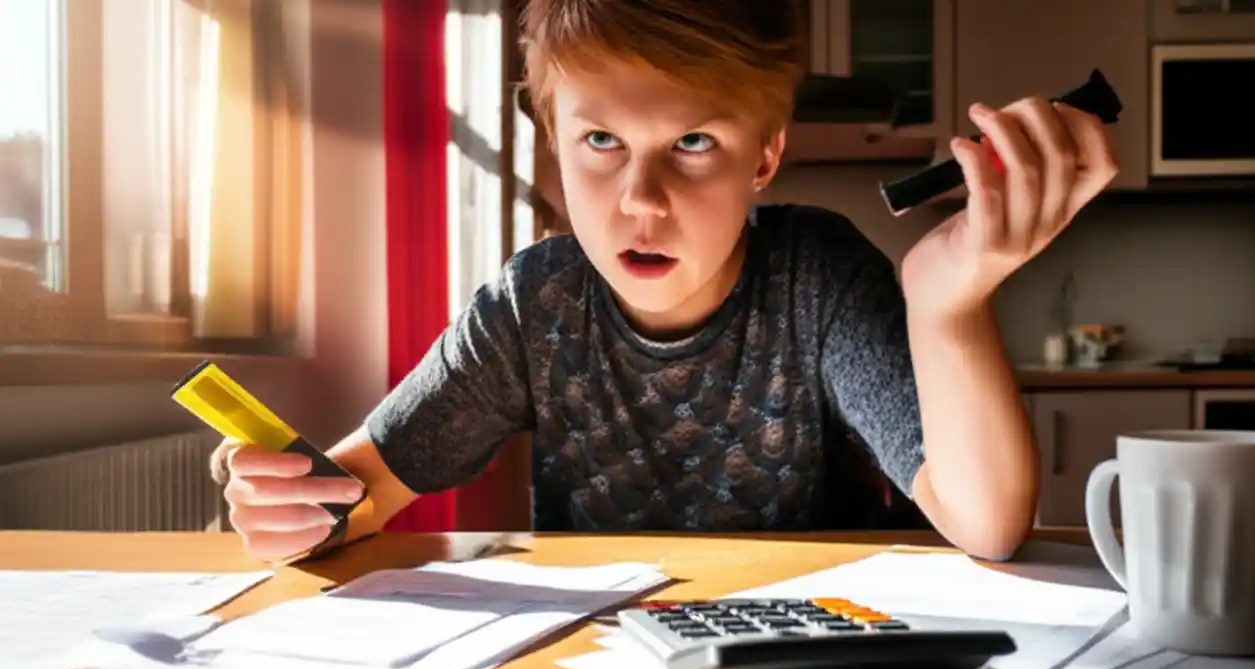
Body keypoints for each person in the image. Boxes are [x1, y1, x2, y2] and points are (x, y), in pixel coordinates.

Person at [211, 0, 1117, 563]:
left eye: (693, 144)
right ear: (554, 141)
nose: (640, 202)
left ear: (765, 154)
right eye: (602, 142)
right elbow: (355, 497)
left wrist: (949, 303)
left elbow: (989, 525)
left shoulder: (821, 276)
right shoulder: (535, 304)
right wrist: (287, 504)